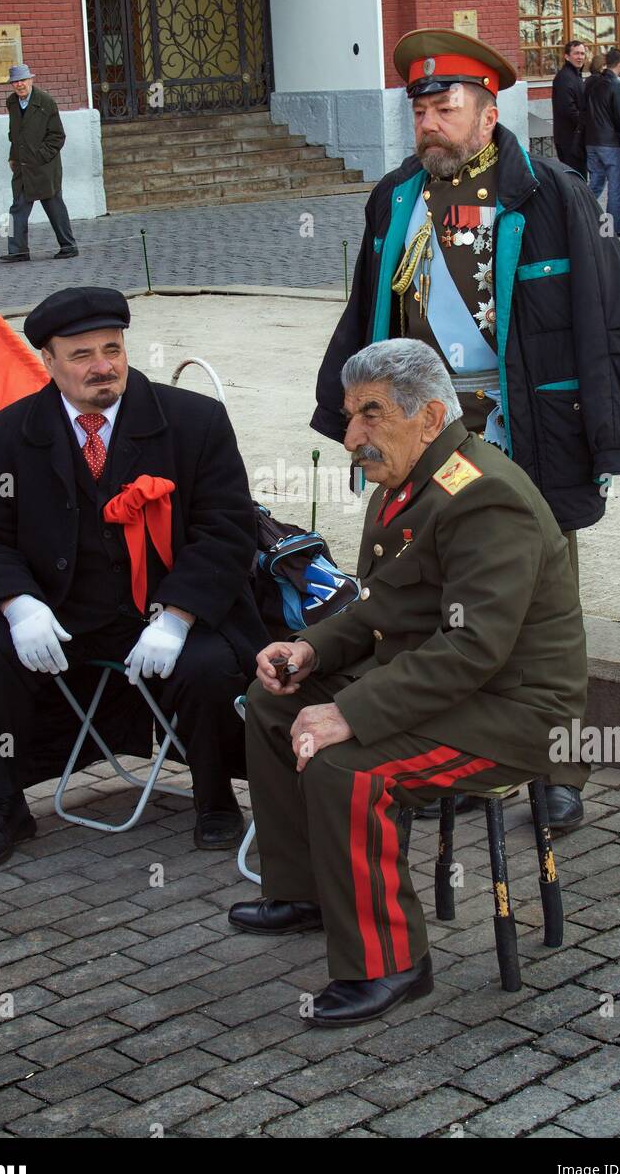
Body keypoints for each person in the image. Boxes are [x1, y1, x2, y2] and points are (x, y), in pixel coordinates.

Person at [311, 27, 620, 833]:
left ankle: (556, 765)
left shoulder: (551, 192)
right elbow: (369, 312)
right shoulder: (394, 198)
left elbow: (609, 320)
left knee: (543, 604)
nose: (428, 120)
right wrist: (351, 421)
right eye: (419, 107)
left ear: (489, 110)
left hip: (521, 425)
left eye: (445, 105)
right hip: (415, 434)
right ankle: (438, 747)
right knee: (408, 586)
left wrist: (610, 437)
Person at [230, 339, 588, 1027]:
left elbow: (474, 647)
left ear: (428, 417)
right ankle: (308, 892)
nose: (351, 435)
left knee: (348, 767)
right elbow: (378, 609)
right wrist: (307, 652)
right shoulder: (410, 482)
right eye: (349, 415)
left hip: (514, 712)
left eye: (371, 415)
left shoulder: (482, 497)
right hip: (445, 688)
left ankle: (390, 962)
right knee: (274, 709)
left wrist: (352, 713)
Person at [0, 286, 266, 864]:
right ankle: (2, 803)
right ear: (48, 361)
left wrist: (177, 617)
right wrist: (19, 605)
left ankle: (216, 797)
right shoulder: (5, 436)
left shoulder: (195, 421)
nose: (103, 368)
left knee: (210, 662)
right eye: (82, 355)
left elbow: (228, 530)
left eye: (112, 350)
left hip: (163, 608)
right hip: (62, 613)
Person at [1, 64, 78, 263]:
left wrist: (41, 156)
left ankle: (69, 246)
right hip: (22, 168)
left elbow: (57, 136)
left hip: (44, 167)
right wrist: (13, 156)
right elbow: (14, 134)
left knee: (54, 207)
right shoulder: (11, 103)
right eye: (15, 82)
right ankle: (17, 251)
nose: (19, 85)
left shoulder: (46, 102)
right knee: (16, 209)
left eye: (22, 80)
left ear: (31, 80)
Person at [584, 47, 620, 236]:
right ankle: (614, 227)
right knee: (615, 186)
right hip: (609, 142)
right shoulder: (615, 86)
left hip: (591, 140)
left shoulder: (593, 84)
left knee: (596, 182)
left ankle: (581, 215)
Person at [551, 40, 587, 174]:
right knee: (575, 178)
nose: (580, 57)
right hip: (569, 139)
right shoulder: (565, 78)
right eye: (576, 53)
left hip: (575, 137)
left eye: (582, 54)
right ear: (567, 56)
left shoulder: (575, 76)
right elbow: (568, 109)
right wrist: (584, 124)